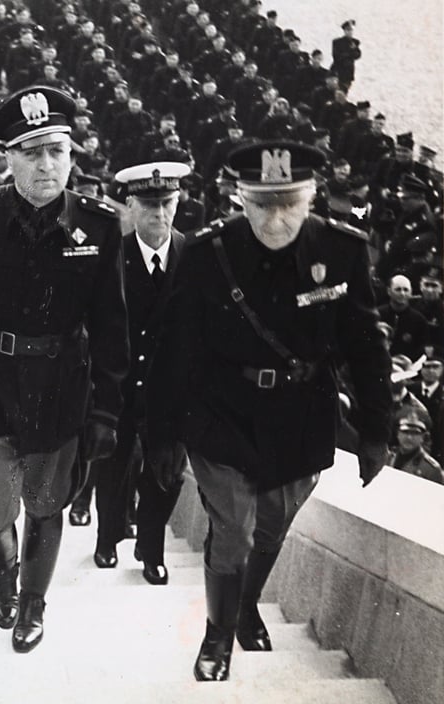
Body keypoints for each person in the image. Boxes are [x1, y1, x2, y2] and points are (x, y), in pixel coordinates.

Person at [149, 141, 392, 681]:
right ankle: (217, 637)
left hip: (300, 414)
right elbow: (174, 347)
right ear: (241, 199)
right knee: (234, 528)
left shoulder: (342, 250)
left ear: (311, 199)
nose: (275, 219)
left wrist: (377, 429)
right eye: (261, 204)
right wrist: (162, 435)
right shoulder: (209, 253)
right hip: (223, 411)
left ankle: (245, 605)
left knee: (273, 525)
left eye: (288, 204)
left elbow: (366, 345)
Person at [0, 85, 128, 653]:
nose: (47, 165)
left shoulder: (99, 226)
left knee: (46, 501)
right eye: (32, 153)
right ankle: (3, 569)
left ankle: (33, 602)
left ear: (71, 154)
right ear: (7, 157)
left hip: (60, 385)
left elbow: (111, 327)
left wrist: (107, 410)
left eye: (57, 151)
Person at [78, 161, 190, 586]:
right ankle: (107, 539)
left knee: (168, 473)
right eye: (148, 205)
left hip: (170, 391)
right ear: (130, 206)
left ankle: (151, 549)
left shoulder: (191, 256)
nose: (159, 214)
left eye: (167, 204)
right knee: (113, 466)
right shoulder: (113, 256)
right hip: (119, 385)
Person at [389, 414, 443, 484]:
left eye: (415, 433)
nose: (409, 437)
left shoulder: (431, 469)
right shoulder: (388, 457)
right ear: (398, 434)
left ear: (422, 437)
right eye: (405, 432)